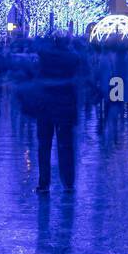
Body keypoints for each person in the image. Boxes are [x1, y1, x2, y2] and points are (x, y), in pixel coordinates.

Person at [34, 37, 79, 193]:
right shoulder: (72, 60)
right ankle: (68, 182)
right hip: (65, 108)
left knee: (44, 146)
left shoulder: (43, 61)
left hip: (45, 108)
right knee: (66, 146)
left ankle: (44, 183)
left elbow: (37, 83)